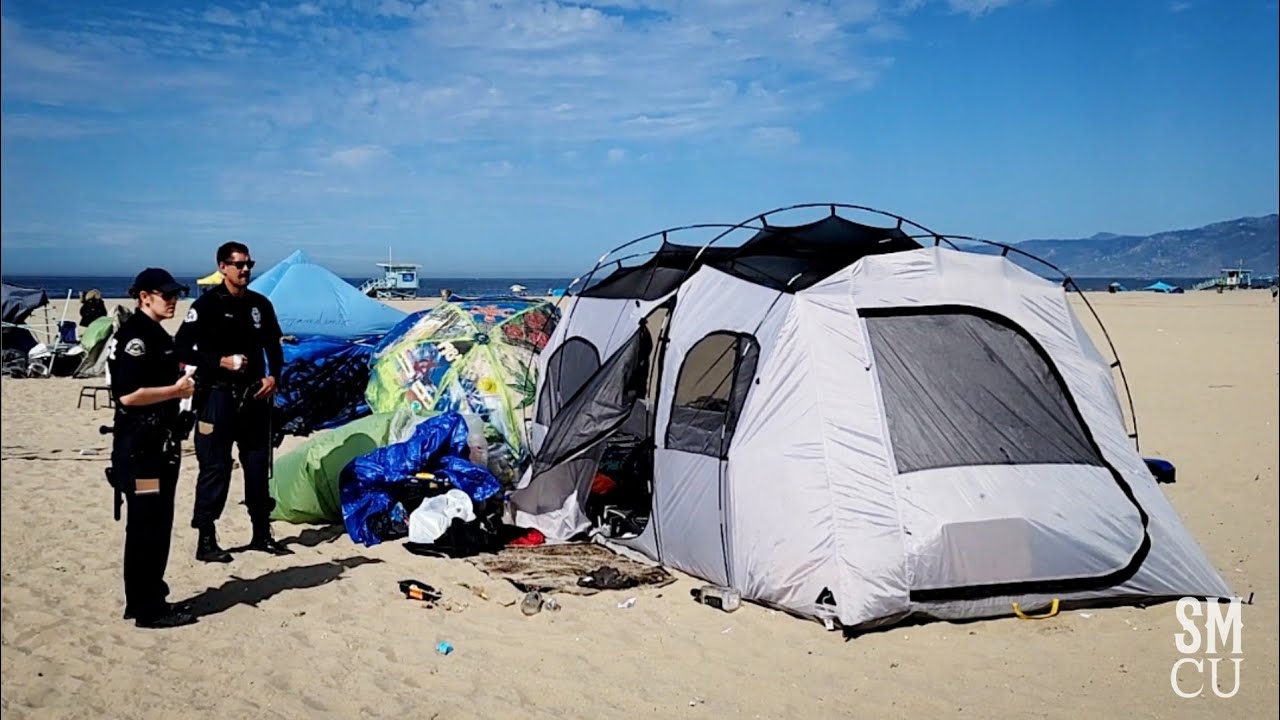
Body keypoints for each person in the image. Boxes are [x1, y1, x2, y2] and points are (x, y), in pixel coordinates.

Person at [175, 241, 293, 562]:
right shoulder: (207, 305)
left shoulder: (260, 304)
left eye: (248, 264)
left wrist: (274, 378)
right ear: (222, 267)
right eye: (238, 264)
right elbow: (182, 349)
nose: (244, 270)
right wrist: (220, 361)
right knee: (216, 466)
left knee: (256, 464)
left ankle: (261, 533)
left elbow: (274, 346)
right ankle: (207, 538)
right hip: (217, 394)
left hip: (255, 395)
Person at [107, 268, 198, 629]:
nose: (173, 300)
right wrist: (176, 392)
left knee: (152, 525)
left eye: (176, 294)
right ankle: (149, 607)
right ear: (145, 297)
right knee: (148, 526)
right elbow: (128, 395)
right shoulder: (137, 337)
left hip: (157, 444)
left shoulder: (155, 334)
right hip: (142, 450)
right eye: (166, 295)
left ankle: (142, 599)